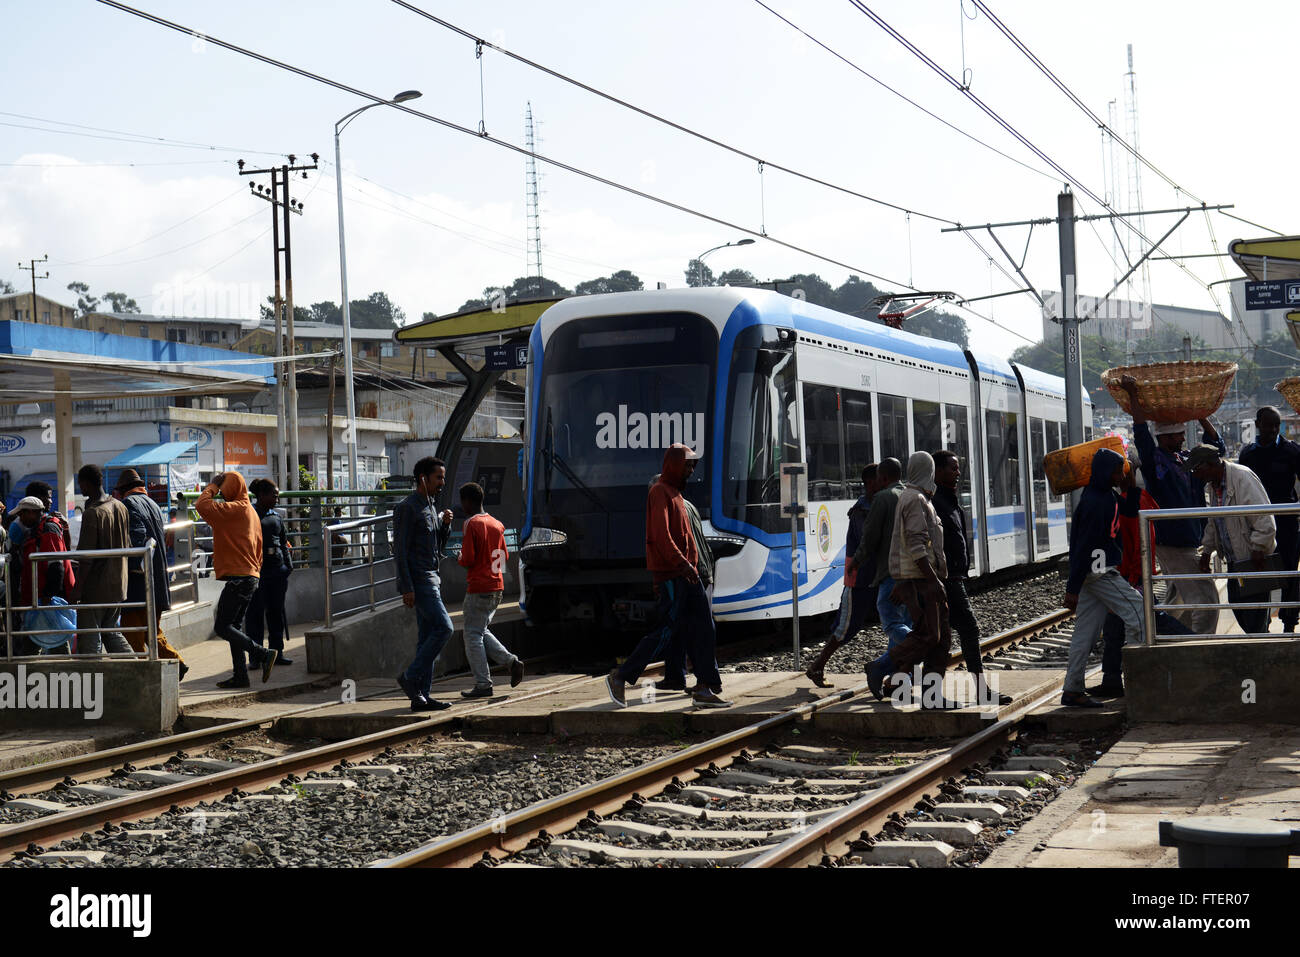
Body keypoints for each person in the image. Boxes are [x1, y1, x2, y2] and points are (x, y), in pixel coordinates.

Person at [606, 444, 729, 709]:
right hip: (676, 575)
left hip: (688, 574)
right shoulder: (660, 492)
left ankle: (706, 686)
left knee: (703, 629)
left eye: (693, 465)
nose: (692, 469)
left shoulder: (676, 494)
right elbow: (661, 535)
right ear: (673, 464)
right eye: (687, 464)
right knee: (666, 631)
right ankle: (621, 676)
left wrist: (690, 567)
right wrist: (683, 564)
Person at [1119, 375, 1224, 633]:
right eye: (1177, 436)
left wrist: (1201, 414)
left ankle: (1166, 639)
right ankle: (1199, 650)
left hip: (1190, 539)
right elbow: (1141, 433)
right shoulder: (1156, 462)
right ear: (1164, 439)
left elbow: (1216, 447)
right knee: (1206, 602)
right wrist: (1133, 393)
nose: (1182, 440)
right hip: (1174, 541)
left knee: (1178, 602)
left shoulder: (1188, 459)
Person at [865, 452, 953, 707]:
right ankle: (880, 666)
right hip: (921, 581)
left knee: (940, 638)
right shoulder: (914, 499)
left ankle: (931, 695)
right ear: (928, 471)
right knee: (928, 636)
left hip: (924, 579)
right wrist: (933, 580)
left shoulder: (919, 497)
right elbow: (916, 544)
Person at [1061, 447, 1146, 707]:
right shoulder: (1097, 502)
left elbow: (1130, 509)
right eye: (1118, 470)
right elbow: (1084, 547)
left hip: (1092, 574)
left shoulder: (1100, 494)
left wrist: (1131, 481)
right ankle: (1139, 684)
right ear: (1106, 472)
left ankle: (1072, 689)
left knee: (1084, 634)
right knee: (1140, 613)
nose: (1121, 474)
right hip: (1100, 572)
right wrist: (1072, 588)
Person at [932, 450, 1012, 706]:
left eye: (958, 468)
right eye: (952, 468)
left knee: (939, 636)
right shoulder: (936, 503)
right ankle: (978, 691)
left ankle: (911, 684)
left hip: (953, 577)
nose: (957, 473)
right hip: (947, 580)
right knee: (960, 631)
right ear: (937, 471)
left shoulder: (951, 501)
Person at [195, 472, 276, 688]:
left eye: (224, 487)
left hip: (239, 578)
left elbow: (201, 505)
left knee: (222, 627)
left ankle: (263, 653)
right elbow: (258, 546)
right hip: (250, 576)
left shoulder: (235, 509)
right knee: (234, 627)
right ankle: (241, 675)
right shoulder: (249, 510)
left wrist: (213, 485)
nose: (222, 492)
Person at [805, 464, 882, 687]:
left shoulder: (873, 505)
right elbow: (868, 543)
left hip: (874, 576)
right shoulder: (861, 510)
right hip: (859, 578)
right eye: (879, 480)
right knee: (846, 626)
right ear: (869, 483)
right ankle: (817, 666)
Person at [1192, 445, 1277, 636]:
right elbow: (1214, 522)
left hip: (1251, 559)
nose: (1195, 475)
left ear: (1209, 465)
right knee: (1239, 606)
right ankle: (1260, 649)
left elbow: (1264, 519)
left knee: (1255, 616)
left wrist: (1259, 547)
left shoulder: (1241, 477)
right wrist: (1207, 551)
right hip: (1234, 561)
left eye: (1196, 469)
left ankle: (1261, 653)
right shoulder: (1213, 486)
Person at [394, 457, 455, 713]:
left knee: (427, 637)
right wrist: (406, 586)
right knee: (444, 628)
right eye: (438, 477)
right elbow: (400, 549)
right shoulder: (407, 507)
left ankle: (421, 696)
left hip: (432, 576)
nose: (442, 482)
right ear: (423, 478)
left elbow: (437, 547)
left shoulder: (431, 506)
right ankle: (410, 677)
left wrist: (445, 527)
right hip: (420, 580)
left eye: (442, 477)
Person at [454, 481, 524, 698]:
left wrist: (459, 557)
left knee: (472, 635)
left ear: (467, 501)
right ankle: (511, 662)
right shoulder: (497, 523)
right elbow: (504, 558)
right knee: (480, 630)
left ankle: (483, 684)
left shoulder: (471, 523)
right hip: (497, 585)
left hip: (478, 586)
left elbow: (468, 559)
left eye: (462, 502)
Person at [115, 469, 188, 677]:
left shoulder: (129, 504)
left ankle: (139, 677)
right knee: (152, 631)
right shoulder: (153, 504)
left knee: (133, 635)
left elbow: (138, 540)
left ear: (122, 491)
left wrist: (132, 567)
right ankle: (177, 662)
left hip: (138, 585)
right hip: (157, 583)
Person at [1239, 406, 1300, 634]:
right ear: (1258, 424)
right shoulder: (1247, 454)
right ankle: (1260, 624)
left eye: (1277, 425)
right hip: (1256, 523)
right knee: (1258, 572)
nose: (1273, 430)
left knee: (1289, 573)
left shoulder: (1292, 451)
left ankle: (1289, 623)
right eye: (1268, 425)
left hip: (1286, 521)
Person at [848, 457, 910, 679]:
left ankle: (923, 644)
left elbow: (869, 538)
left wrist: (856, 561)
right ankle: (899, 677)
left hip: (891, 572)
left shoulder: (883, 498)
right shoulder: (914, 495)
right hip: (914, 574)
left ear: (882, 478)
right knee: (904, 622)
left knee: (893, 622)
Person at [71, 464, 134, 656]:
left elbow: (86, 557)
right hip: (118, 585)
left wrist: (78, 588)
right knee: (111, 631)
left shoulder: (93, 514)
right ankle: (135, 668)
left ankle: (90, 678)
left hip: (96, 587)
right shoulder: (120, 506)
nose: (81, 490)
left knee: (90, 637)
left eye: (81, 485)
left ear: (86, 484)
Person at [12, 496, 76, 655]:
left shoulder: (47, 530)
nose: (20, 519)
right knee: (46, 641)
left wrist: (48, 596)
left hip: (44, 599)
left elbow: (56, 566)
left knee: (50, 642)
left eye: (22, 514)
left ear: (32, 513)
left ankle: (28, 673)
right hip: (39, 598)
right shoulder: (38, 531)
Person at [245, 479, 294, 667]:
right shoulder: (250, 514)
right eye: (273, 495)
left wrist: (288, 566)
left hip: (277, 571)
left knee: (276, 614)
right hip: (258, 572)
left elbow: (283, 542)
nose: (276, 498)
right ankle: (256, 657)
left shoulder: (276, 516)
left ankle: (277, 653)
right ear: (262, 495)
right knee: (255, 615)